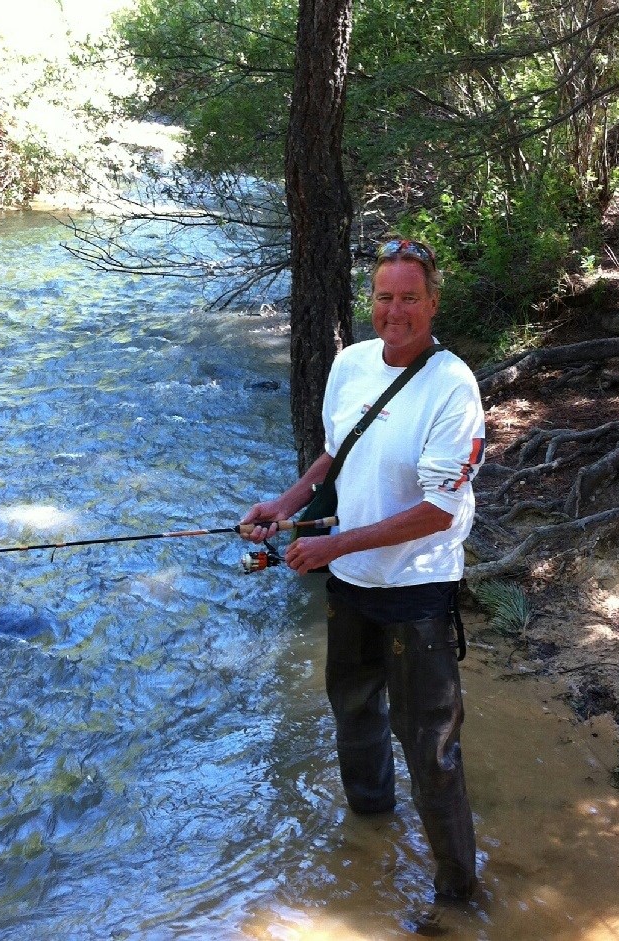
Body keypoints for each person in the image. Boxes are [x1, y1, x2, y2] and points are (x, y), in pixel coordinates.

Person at [241, 235, 485, 910]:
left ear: (432, 303)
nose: (394, 311)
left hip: (417, 591)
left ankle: (458, 897)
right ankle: (369, 840)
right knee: (353, 715)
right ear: (369, 300)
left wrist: (333, 545)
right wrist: (286, 506)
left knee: (432, 750)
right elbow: (335, 455)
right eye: (383, 297)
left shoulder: (453, 386)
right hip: (348, 584)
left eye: (409, 298)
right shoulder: (350, 364)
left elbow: (438, 510)